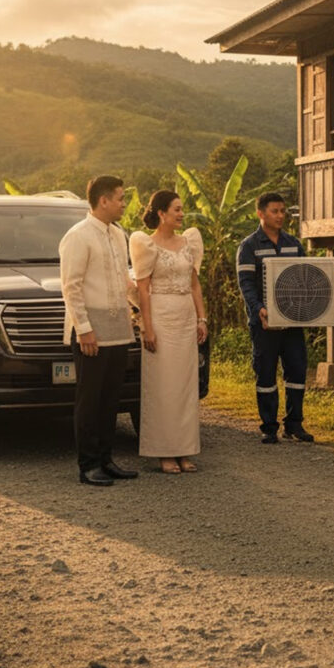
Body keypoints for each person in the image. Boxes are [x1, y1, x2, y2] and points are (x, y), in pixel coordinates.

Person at [59, 175, 139, 486]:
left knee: (110, 399)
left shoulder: (118, 234)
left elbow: (125, 280)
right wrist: (84, 330)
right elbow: (71, 287)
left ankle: (107, 460)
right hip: (90, 331)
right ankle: (88, 465)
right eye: (120, 198)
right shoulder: (78, 236)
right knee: (89, 400)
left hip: (118, 328)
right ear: (103, 201)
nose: (123, 204)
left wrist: (144, 308)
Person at [130, 190, 207, 475]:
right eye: (176, 209)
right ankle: (163, 452)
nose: (181, 214)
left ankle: (185, 450)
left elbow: (195, 285)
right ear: (161, 213)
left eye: (182, 209)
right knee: (163, 386)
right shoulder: (145, 244)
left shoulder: (189, 242)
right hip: (160, 316)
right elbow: (143, 289)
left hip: (186, 316)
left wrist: (202, 318)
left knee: (185, 387)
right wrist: (147, 327)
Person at [236, 192, 314, 444]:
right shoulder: (249, 246)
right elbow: (246, 284)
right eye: (275, 211)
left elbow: (306, 278)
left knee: (297, 372)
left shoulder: (293, 244)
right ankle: (269, 426)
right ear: (261, 213)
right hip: (265, 325)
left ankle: (294, 425)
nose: (280, 216)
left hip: (292, 322)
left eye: (283, 211)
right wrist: (258, 308)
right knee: (266, 374)